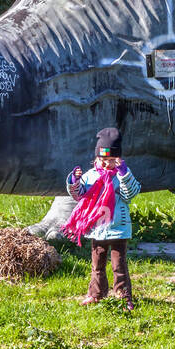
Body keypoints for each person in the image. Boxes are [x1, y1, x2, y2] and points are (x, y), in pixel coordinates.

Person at [62, 127, 141, 310]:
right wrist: (73, 181)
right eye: (102, 160)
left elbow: (131, 194)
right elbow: (79, 194)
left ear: (119, 160)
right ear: (97, 159)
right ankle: (96, 294)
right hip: (97, 228)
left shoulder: (121, 177)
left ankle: (123, 297)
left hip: (118, 228)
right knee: (97, 265)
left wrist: (123, 173)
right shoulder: (91, 176)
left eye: (111, 161)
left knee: (118, 265)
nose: (106, 165)